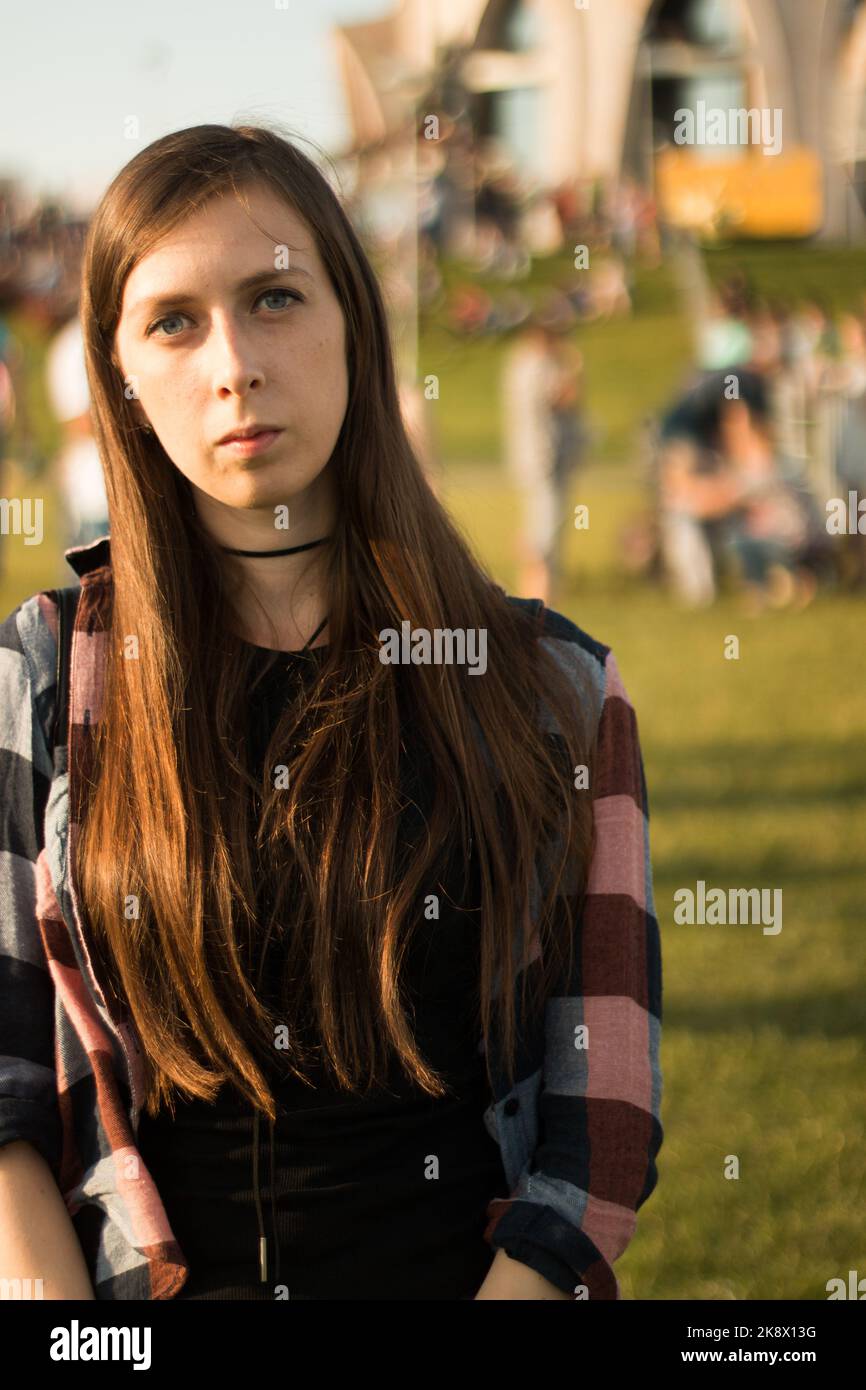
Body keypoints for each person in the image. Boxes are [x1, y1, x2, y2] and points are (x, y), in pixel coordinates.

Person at [0, 123, 662, 1302]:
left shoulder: (555, 689)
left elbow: (599, 1120)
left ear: (354, 323)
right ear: (120, 381)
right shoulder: (43, 677)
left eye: (273, 298)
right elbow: (4, 1082)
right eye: (173, 320)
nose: (232, 365)